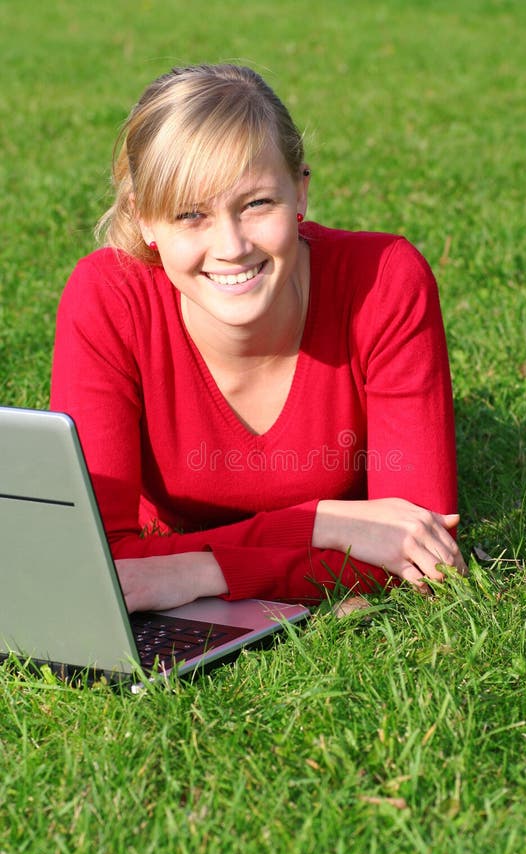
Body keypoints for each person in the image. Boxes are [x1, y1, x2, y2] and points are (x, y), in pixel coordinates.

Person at [51, 63, 466, 613]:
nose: (231, 246)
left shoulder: (384, 280)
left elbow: (421, 549)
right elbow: (100, 565)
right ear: (144, 220)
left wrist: (199, 569)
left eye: (256, 204)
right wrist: (325, 522)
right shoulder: (109, 298)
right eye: (190, 214)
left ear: (300, 192)